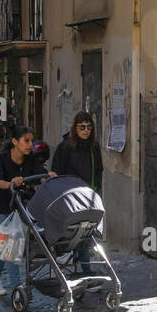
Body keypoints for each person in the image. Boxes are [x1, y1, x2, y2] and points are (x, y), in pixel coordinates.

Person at [0, 125, 37, 297]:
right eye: (26, 141)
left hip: (15, 211)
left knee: (3, 243)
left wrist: (47, 176)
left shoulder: (30, 159)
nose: (30, 144)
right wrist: (11, 184)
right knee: (10, 240)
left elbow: (40, 172)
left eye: (31, 141)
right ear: (15, 142)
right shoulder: (1, 158)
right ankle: (17, 286)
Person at [50, 111, 104, 270]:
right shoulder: (65, 146)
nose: (86, 130)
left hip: (89, 196)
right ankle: (79, 269)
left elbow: (99, 170)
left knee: (85, 236)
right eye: (82, 127)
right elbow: (56, 171)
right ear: (75, 128)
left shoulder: (94, 146)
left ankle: (85, 272)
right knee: (76, 236)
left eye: (89, 127)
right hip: (71, 198)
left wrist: (96, 191)